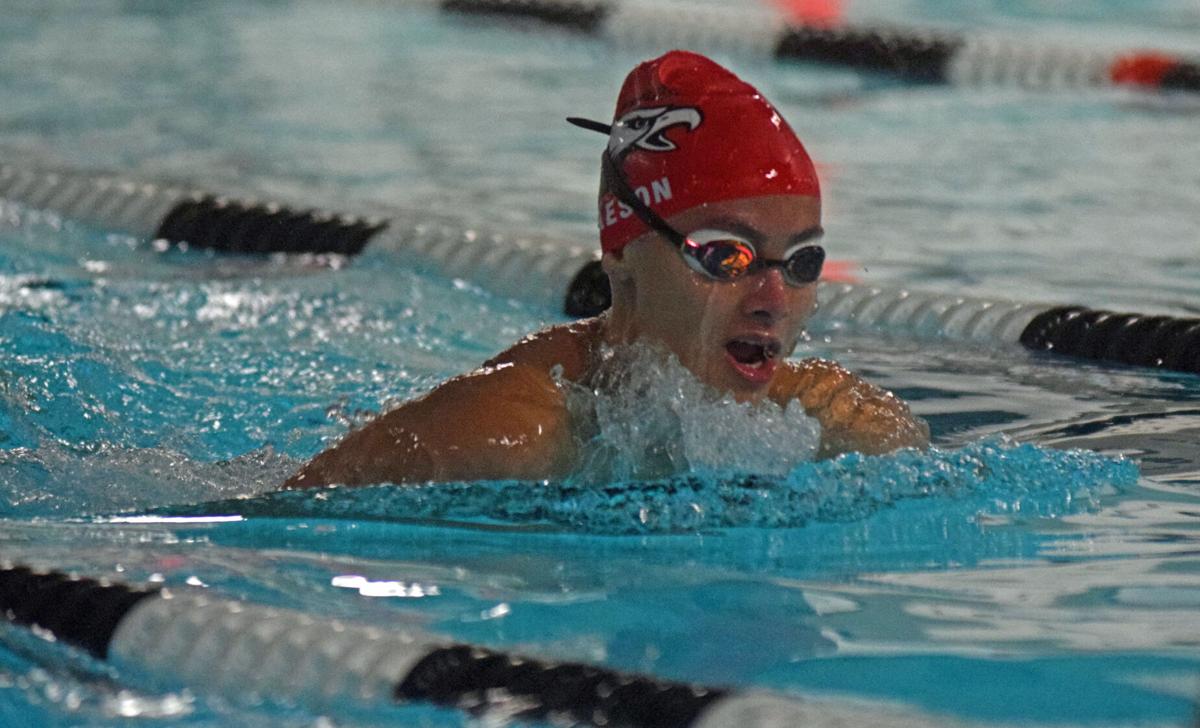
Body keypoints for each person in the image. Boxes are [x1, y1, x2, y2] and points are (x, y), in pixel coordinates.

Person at [282, 50, 928, 490]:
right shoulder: (507, 433)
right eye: (724, 255)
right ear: (621, 262)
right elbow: (264, 536)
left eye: (803, 262)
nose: (772, 299)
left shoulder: (840, 422)